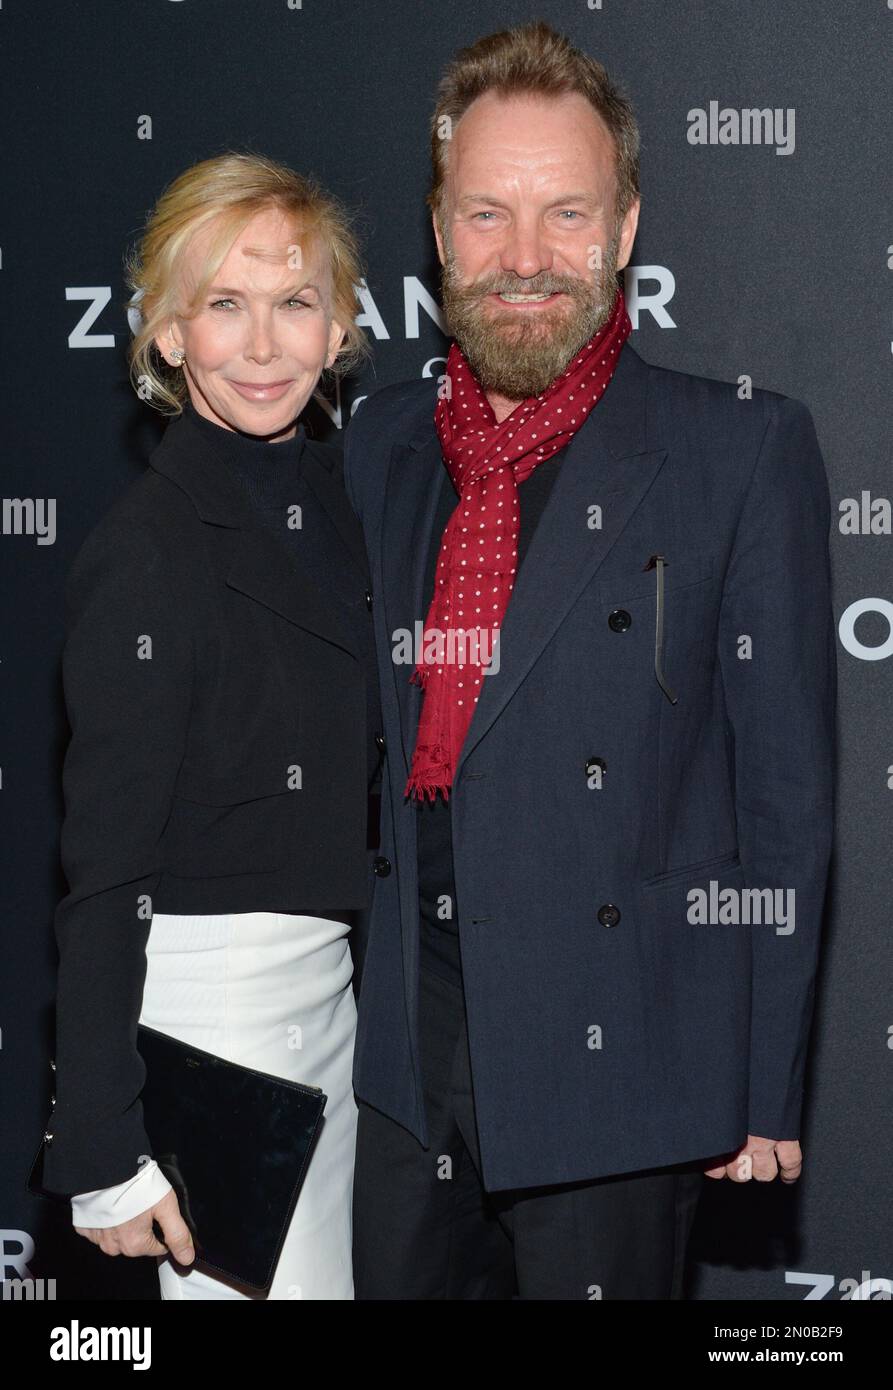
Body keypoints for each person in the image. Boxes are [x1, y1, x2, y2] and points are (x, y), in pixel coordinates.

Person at [345, 22, 836, 1299]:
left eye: (565, 213)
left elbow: (784, 804)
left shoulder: (738, 451)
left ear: (622, 231)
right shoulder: (377, 444)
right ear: (439, 233)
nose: (524, 258)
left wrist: (760, 1082)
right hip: (405, 1069)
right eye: (486, 214)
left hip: (619, 1074)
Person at [38, 152, 381, 1300]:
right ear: (170, 334)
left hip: (330, 1013)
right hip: (207, 1027)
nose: (264, 344)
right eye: (224, 305)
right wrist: (102, 1143)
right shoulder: (147, 549)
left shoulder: (344, 509)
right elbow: (103, 868)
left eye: (295, 302)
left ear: (340, 326)